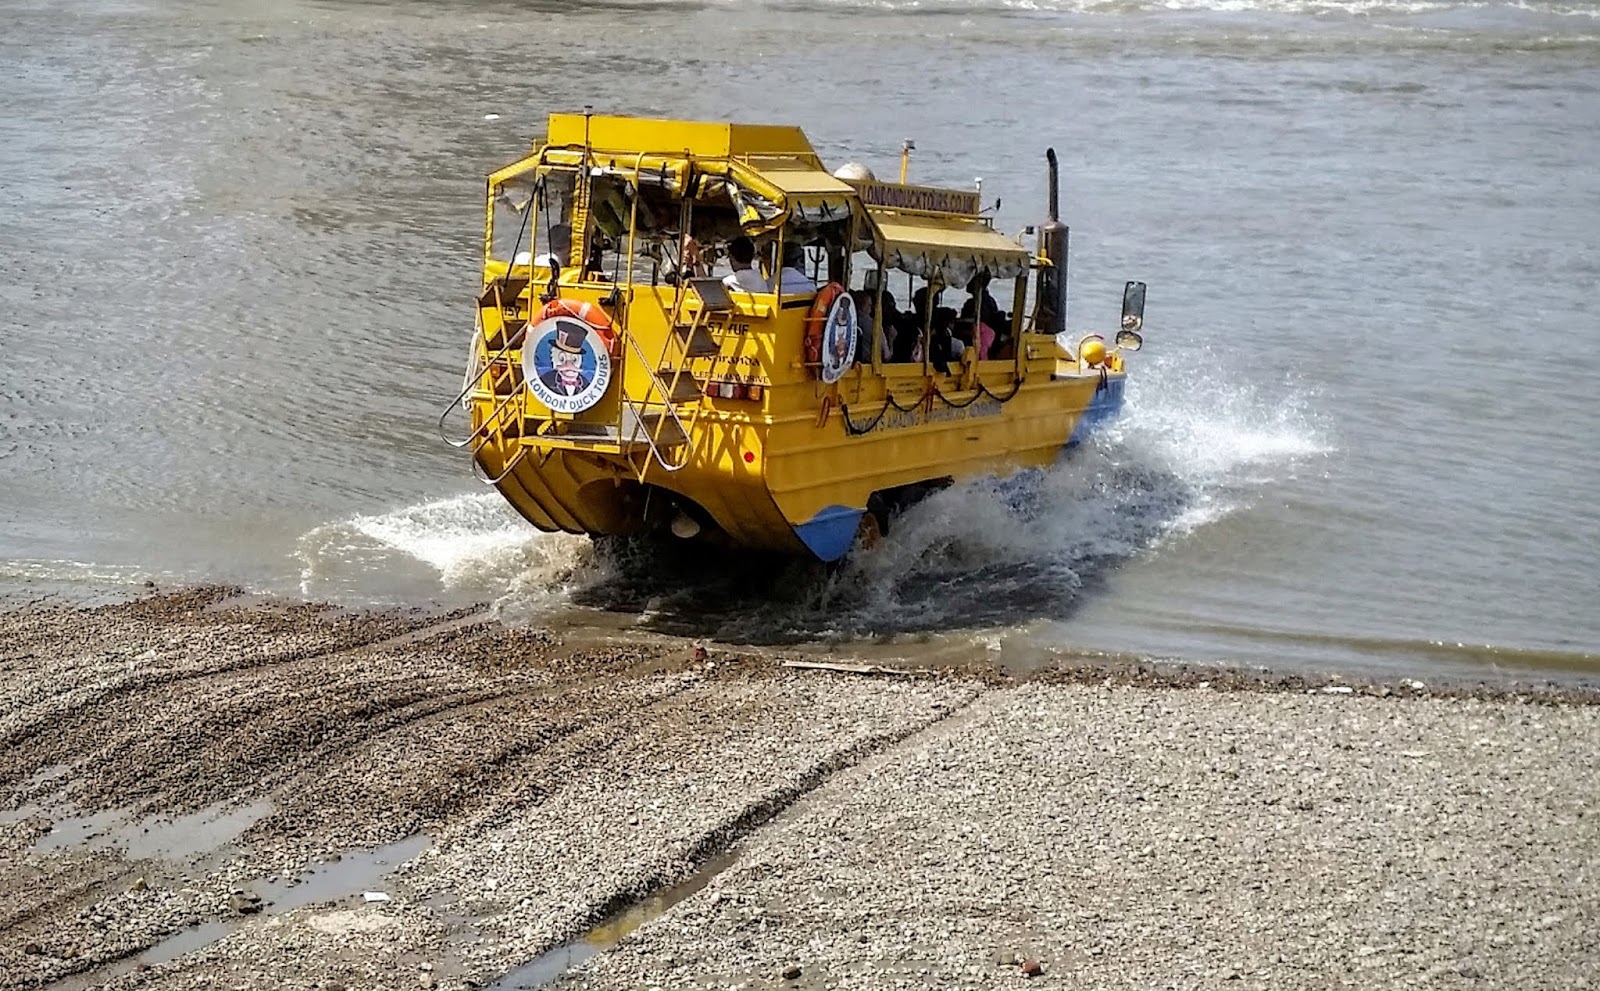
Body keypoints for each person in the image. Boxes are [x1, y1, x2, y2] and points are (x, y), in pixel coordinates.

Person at [538, 321, 592, 397]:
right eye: (562, 358)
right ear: (554, 359)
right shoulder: (545, 381)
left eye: (574, 360)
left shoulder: (587, 385)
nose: (569, 365)